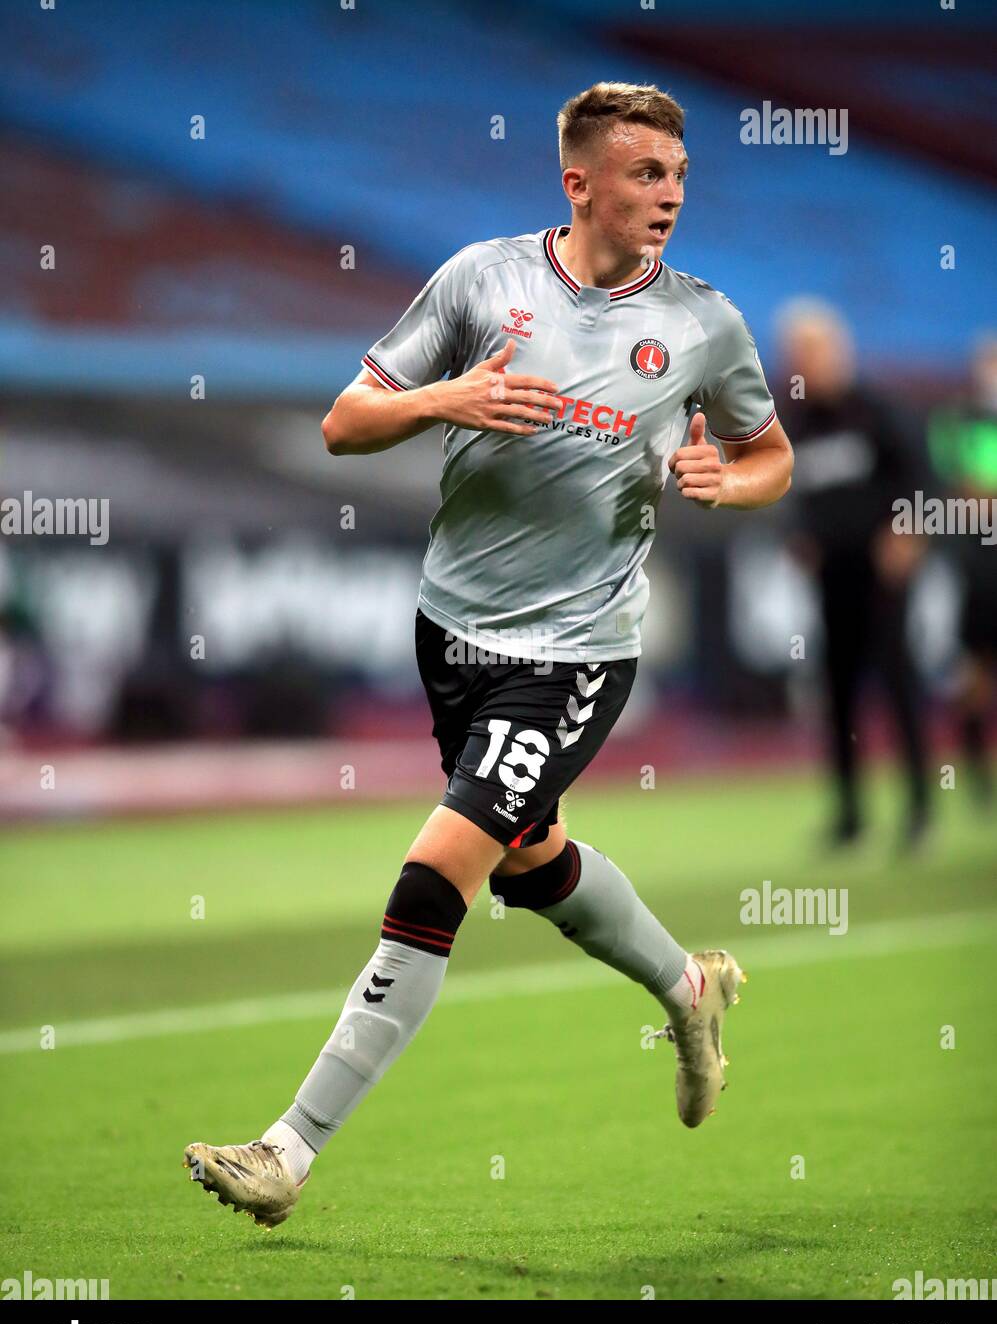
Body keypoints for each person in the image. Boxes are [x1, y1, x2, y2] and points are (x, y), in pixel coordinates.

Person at [184, 81, 793, 1229]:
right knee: (527, 856)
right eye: (643, 175)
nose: (667, 196)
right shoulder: (481, 281)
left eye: (677, 176)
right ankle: (688, 986)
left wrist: (726, 479)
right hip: (451, 631)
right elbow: (343, 421)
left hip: (578, 654)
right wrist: (447, 397)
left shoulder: (705, 322)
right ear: (579, 183)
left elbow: (770, 456)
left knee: (436, 877)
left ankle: (286, 1153)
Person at [776, 300, 931, 852]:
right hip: (833, 580)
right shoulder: (798, 422)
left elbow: (922, 477)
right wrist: (798, 539)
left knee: (898, 687)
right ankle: (849, 816)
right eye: (794, 354)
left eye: (810, 352)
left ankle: (919, 811)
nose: (801, 364)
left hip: (881, 577)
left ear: (836, 352)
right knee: (838, 696)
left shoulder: (877, 410)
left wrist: (908, 534)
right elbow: (790, 494)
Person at [928, 334, 997, 806]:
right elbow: (965, 492)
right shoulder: (958, 423)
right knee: (974, 668)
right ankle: (976, 775)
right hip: (977, 564)